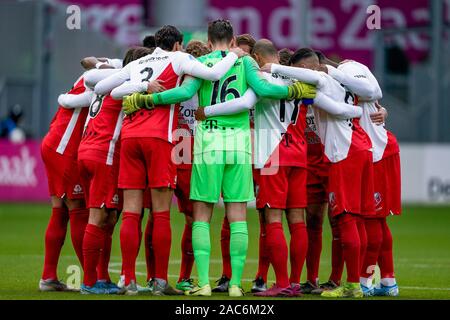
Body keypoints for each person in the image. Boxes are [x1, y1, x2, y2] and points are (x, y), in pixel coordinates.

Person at [122, 19, 314, 297]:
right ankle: (236, 284)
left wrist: (147, 99)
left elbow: (185, 93)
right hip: (239, 144)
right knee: (237, 213)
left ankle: (204, 283)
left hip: (208, 142)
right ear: (234, 40)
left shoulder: (201, 62)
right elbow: (264, 90)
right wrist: (293, 91)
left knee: (201, 214)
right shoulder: (246, 62)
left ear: (209, 42)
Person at [196, 40, 363, 297]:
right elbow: (337, 102)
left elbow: (245, 102)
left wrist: (206, 111)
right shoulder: (298, 83)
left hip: (273, 157)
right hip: (299, 155)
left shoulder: (263, 79)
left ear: (259, 59)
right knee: (298, 222)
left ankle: (282, 283)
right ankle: (296, 282)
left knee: (272, 220)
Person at [94, 25, 244, 295]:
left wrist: (140, 86)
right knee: (161, 212)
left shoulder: (139, 61)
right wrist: (234, 54)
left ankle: (127, 279)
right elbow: (213, 73)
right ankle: (160, 281)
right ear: (178, 44)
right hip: (159, 137)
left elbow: (104, 88)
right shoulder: (179, 58)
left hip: (130, 137)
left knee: (131, 210)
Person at [265, 48, 375, 298]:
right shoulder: (302, 88)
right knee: (317, 221)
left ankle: (345, 282)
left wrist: (270, 68)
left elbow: (368, 98)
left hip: (341, 153)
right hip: (316, 160)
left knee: (344, 220)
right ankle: (314, 279)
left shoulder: (323, 82)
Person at [76, 47, 153, 295]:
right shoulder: (127, 84)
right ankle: (89, 282)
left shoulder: (108, 82)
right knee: (98, 217)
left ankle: (101, 277)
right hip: (103, 154)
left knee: (108, 218)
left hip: (86, 150)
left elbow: (89, 66)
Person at [326, 59, 401, 296]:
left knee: (371, 220)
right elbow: (374, 95)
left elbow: (373, 93)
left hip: (375, 152)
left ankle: (365, 280)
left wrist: (332, 71)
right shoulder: (357, 77)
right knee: (377, 220)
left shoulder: (346, 75)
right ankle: (387, 280)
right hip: (380, 149)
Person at [39, 71, 94, 291]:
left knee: (59, 209)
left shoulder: (88, 76)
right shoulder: (105, 79)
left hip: (53, 143)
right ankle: (91, 280)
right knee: (77, 207)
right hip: (65, 148)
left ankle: (48, 277)